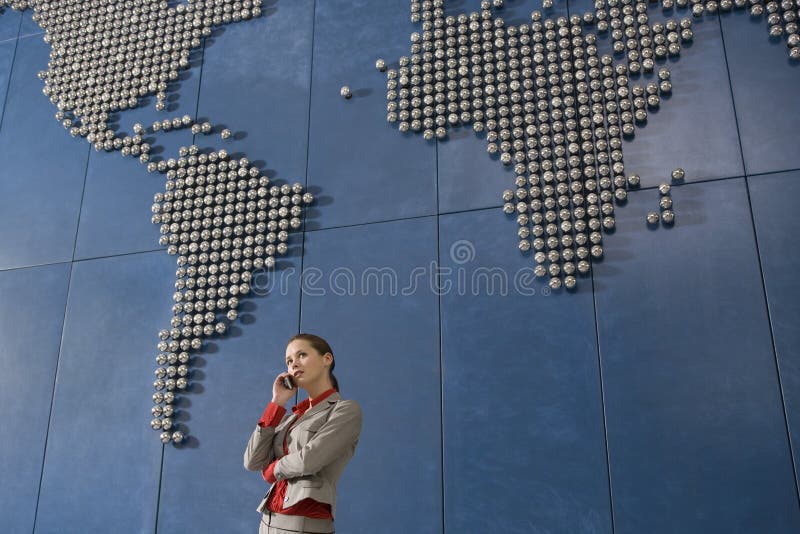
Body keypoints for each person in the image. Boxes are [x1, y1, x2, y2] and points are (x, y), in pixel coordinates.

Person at [244, 333, 362, 534]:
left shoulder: (345, 410)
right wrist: (277, 403)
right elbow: (253, 462)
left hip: (304, 524)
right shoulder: (291, 417)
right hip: (268, 521)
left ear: (327, 359)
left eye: (302, 355)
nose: (294, 364)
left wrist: (273, 469)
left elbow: (310, 459)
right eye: (289, 361)